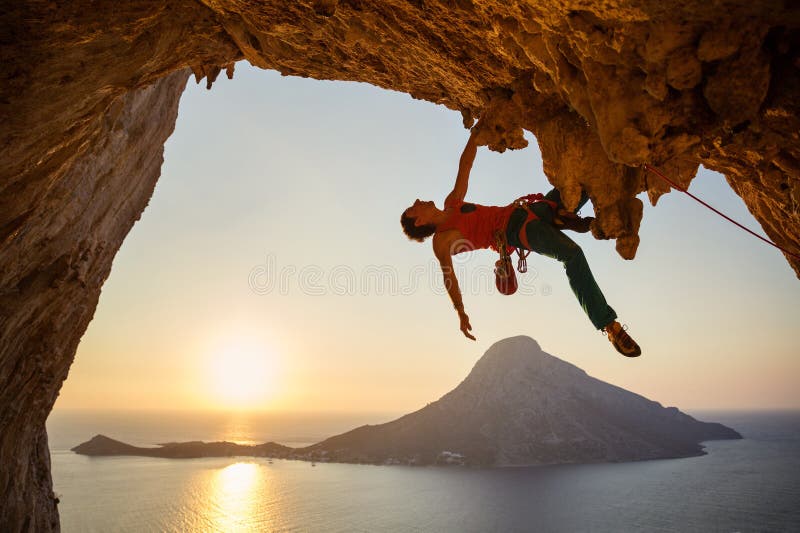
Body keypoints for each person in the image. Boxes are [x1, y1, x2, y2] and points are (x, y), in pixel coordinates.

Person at [400, 129, 641, 357]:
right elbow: (448, 276)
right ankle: (609, 326)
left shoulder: (452, 203)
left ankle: (617, 168)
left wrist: (476, 133)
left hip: (526, 211)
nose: (418, 200)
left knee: (582, 183)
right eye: (414, 207)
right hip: (515, 231)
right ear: (419, 221)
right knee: (572, 254)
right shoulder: (442, 240)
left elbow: (465, 165)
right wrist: (460, 312)